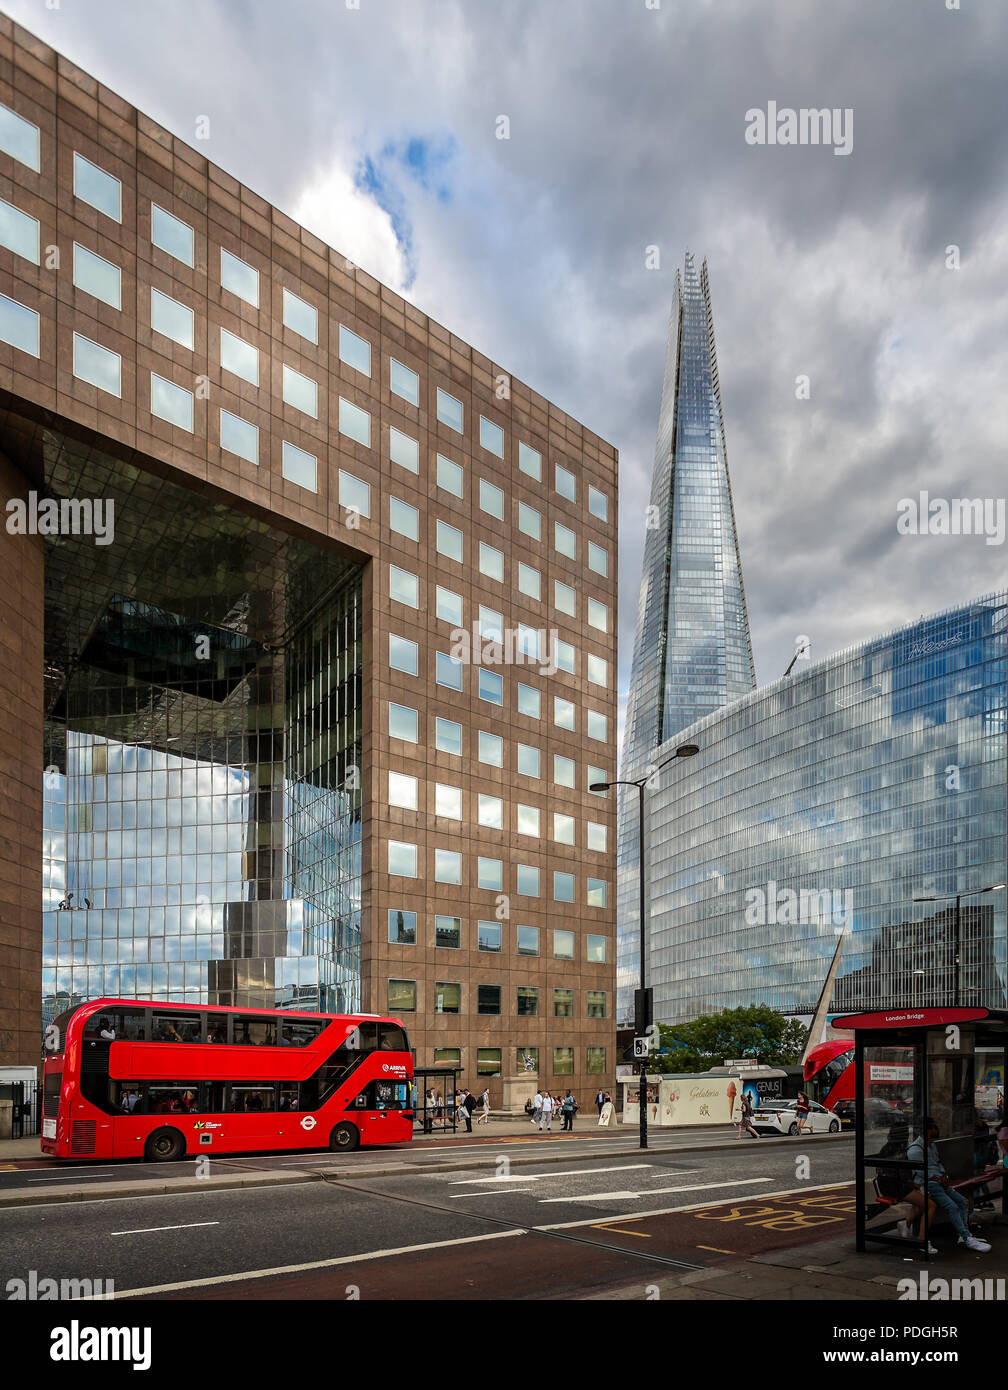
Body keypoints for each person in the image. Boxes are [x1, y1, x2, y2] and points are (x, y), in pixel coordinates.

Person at [907, 1116, 991, 1253]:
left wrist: (944, 1176)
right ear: (928, 1130)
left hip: (940, 1182)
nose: (937, 1130)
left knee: (963, 1202)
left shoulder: (932, 1145)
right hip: (930, 1185)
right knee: (953, 1207)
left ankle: (964, 1235)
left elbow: (938, 1163)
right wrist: (937, 1179)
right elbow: (918, 1172)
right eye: (935, 1127)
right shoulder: (916, 1149)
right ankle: (966, 1238)